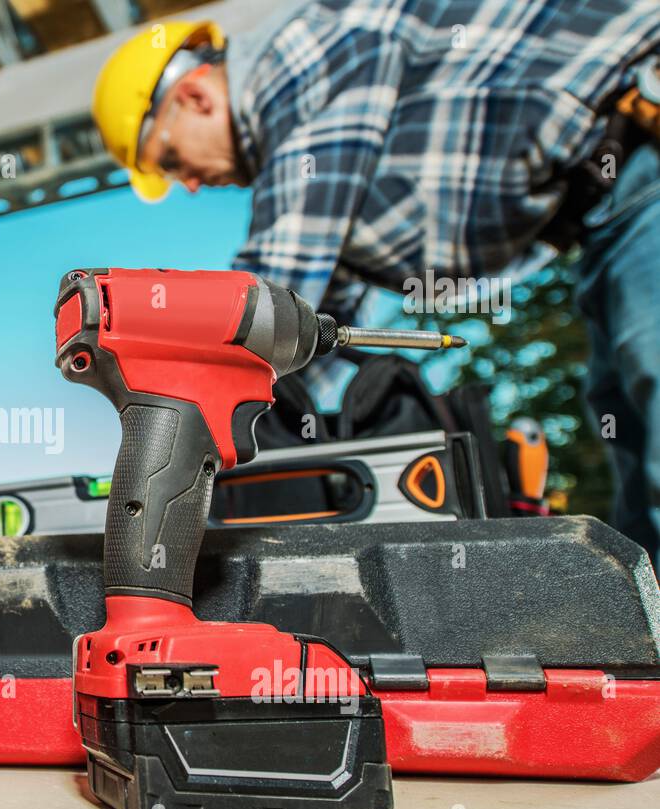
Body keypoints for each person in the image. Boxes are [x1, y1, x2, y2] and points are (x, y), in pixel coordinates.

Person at [91, 0, 660, 567]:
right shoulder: (327, 152)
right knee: (632, 443)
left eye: (171, 158)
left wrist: (175, 437)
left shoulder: (295, 64)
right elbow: (304, 327)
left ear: (194, 95)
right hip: (609, 214)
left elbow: (264, 302)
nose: (188, 184)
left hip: (642, 143)